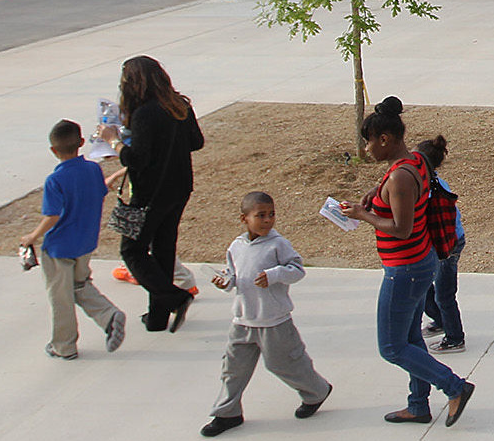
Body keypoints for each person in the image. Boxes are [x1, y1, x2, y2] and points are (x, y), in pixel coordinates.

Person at [334, 97, 477, 428]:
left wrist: (362, 214)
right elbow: (400, 189)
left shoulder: (399, 177)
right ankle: (418, 405)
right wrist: (374, 191)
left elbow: (401, 229)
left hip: (405, 269)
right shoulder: (416, 160)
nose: (367, 149)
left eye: (368, 142)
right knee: (411, 338)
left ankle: (455, 388)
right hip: (421, 262)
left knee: (392, 346)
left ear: (384, 139)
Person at [200, 192, 332, 436]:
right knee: (232, 370)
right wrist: (226, 282)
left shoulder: (278, 244)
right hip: (242, 320)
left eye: (272, 214)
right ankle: (227, 413)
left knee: (285, 364)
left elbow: (296, 270)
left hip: (274, 322)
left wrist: (274, 275)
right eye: (261, 215)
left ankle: (317, 391)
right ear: (244, 218)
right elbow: (234, 276)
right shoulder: (236, 246)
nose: (268, 220)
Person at [99, 55, 205, 333]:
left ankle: (174, 297)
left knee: (132, 250)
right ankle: (157, 318)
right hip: (180, 188)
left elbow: (136, 160)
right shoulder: (179, 105)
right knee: (163, 250)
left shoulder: (145, 113)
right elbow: (197, 142)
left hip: (149, 194)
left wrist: (114, 141)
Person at [20, 119, 126, 360]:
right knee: (80, 286)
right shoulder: (92, 170)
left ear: (53, 150)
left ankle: (64, 345)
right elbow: (100, 193)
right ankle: (109, 315)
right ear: (80, 143)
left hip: (59, 247)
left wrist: (32, 237)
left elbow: (53, 215)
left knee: (61, 297)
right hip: (85, 242)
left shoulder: (54, 180)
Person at [416, 136, 466, 353]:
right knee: (424, 286)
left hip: (447, 247)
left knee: (444, 294)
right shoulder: (434, 182)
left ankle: (455, 338)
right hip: (440, 245)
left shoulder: (428, 190)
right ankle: (440, 319)